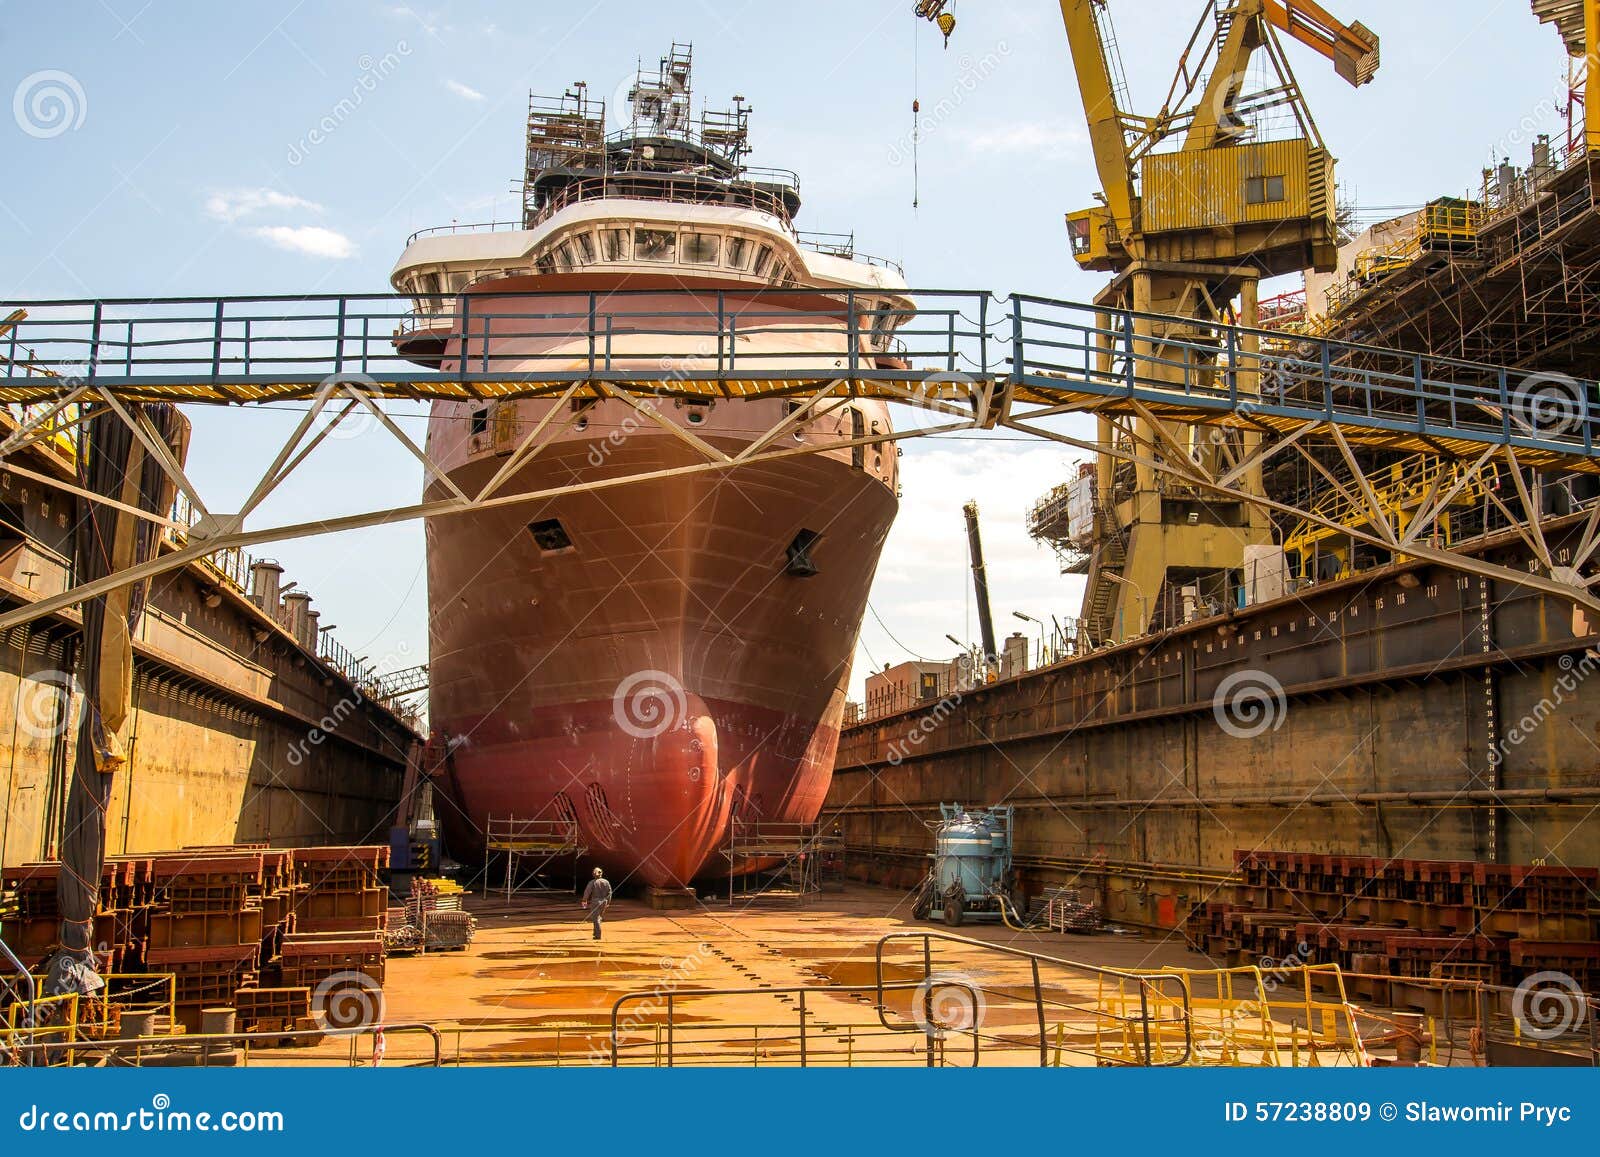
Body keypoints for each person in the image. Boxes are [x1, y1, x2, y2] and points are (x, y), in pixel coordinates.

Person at [580, 866, 612, 940]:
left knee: (596, 918)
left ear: (594, 874)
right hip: (604, 901)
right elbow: (610, 893)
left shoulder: (592, 882)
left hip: (595, 901)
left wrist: (584, 900)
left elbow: (587, 892)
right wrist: (608, 902)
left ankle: (598, 935)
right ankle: (595, 932)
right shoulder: (606, 882)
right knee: (599, 917)